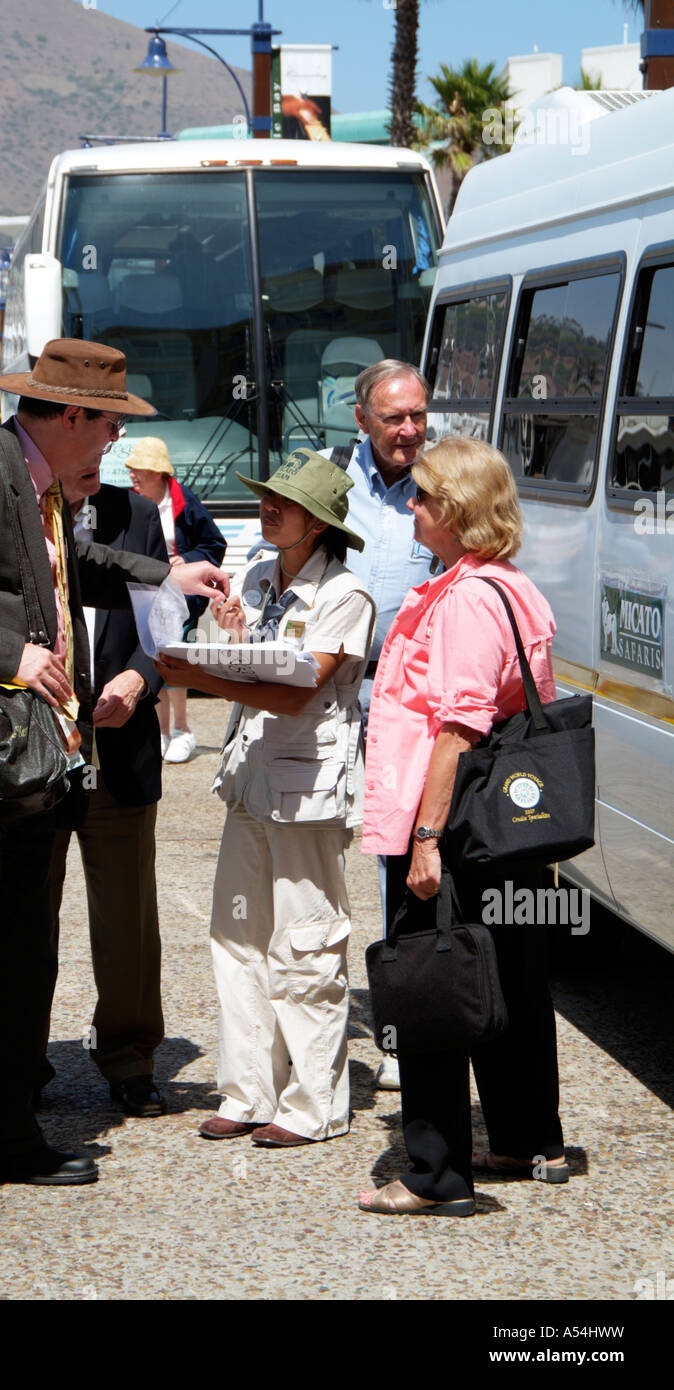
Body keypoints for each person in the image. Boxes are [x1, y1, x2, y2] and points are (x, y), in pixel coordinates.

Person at [0, 339, 228, 1238]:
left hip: (31, 771)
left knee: (23, 959)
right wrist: (7, 654)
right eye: (107, 426)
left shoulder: (42, 481)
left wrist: (160, 573)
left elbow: (69, 568)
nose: (113, 445)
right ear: (68, 417)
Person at [357, 437, 568, 1218]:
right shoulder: (511, 586)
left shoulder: (468, 599)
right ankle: (525, 1136)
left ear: (454, 510)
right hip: (506, 823)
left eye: (420, 497)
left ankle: (435, 1174)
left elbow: (457, 729)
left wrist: (424, 838)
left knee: (432, 983)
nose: (410, 507)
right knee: (510, 973)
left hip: (451, 821)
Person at [157, 449, 374, 1146]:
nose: (266, 507)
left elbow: (299, 688)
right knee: (237, 935)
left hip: (307, 791)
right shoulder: (254, 576)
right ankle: (248, 1090)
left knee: (306, 941)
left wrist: (203, 675)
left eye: (282, 502)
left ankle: (313, 1105)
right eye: (266, 497)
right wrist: (227, 631)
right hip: (250, 782)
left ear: (318, 524)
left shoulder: (347, 595)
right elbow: (244, 660)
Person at [44, 465, 170, 1119]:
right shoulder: (17, 507)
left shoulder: (138, 515)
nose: (103, 442)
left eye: (108, 428)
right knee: (24, 917)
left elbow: (167, 626)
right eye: (88, 426)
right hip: (33, 752)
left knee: (126, 920)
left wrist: (139, 679)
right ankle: (17, 1060)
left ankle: (129, 1058)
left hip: (118, 751)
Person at [327, 358, 439, 1091]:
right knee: (312, 857)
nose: (409, 431)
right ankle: (314, 1023)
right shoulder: (329, 483)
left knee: (401, 868)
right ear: (361, 418)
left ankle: (402, 1030)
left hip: (409, 707)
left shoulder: (444, 486)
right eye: (394, 418)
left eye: (418, 416)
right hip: (330, 697)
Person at [126, 437, 226, 763]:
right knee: (153, 662)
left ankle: (182, 730)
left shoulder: (185, 500)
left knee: (176, 663)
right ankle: (161, 731)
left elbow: (213, 544)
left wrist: (189, 560)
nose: (132, 476)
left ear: (157, 472)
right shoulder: (128, 501)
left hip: (181, 597)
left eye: (138, 469)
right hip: (145, 594)